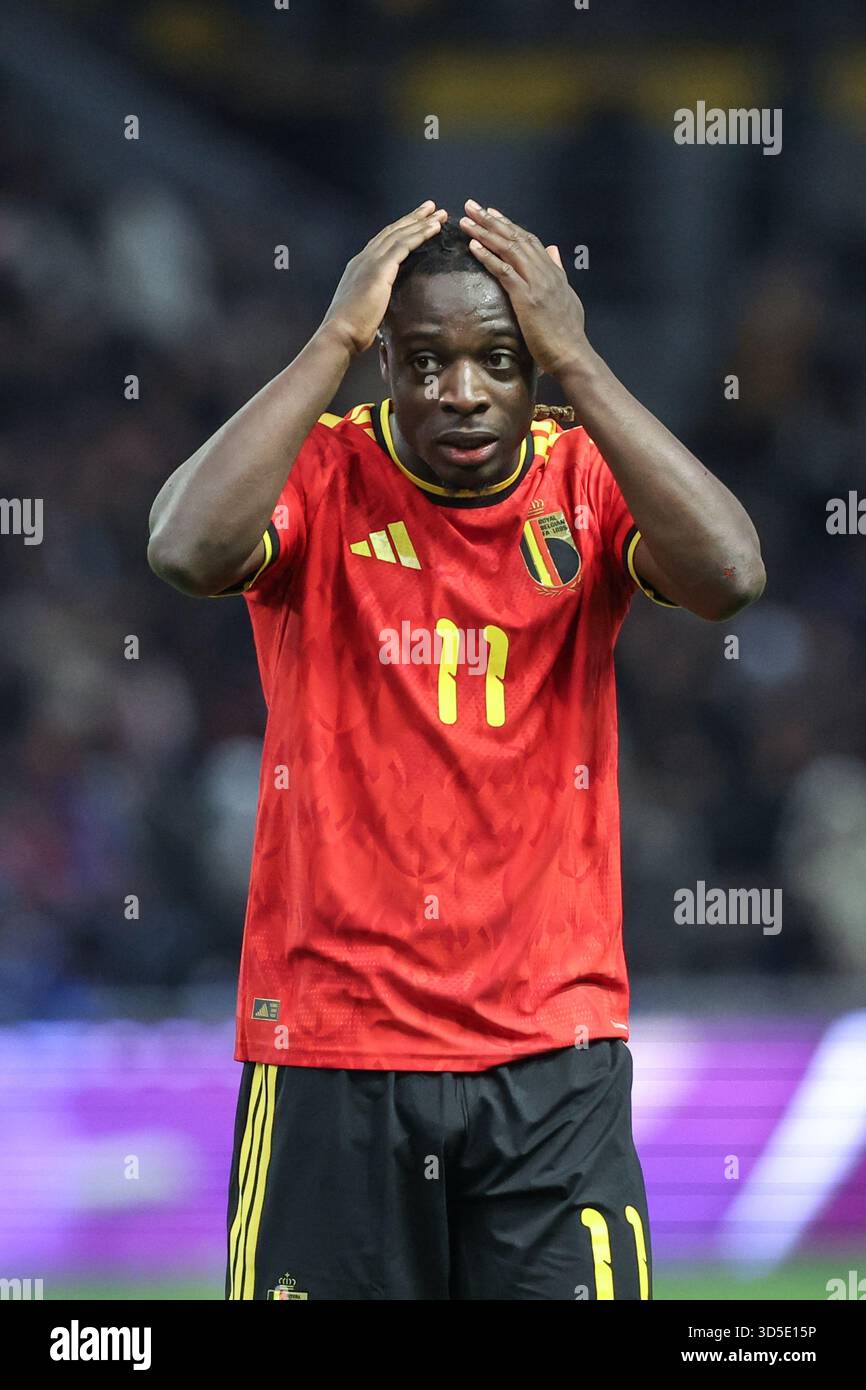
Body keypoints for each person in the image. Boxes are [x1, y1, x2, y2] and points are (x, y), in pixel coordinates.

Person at [148, 199, 765, 1300]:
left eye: (498, 359)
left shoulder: (577, 482)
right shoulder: (322, 473)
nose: (461, 390)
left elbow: (728, 574)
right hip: (333, 1047)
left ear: (534, 371)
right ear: (384, 358)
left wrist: (578, 357)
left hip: (550, 1057)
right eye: (423, 359)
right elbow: (185, 548)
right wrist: (326, 339)